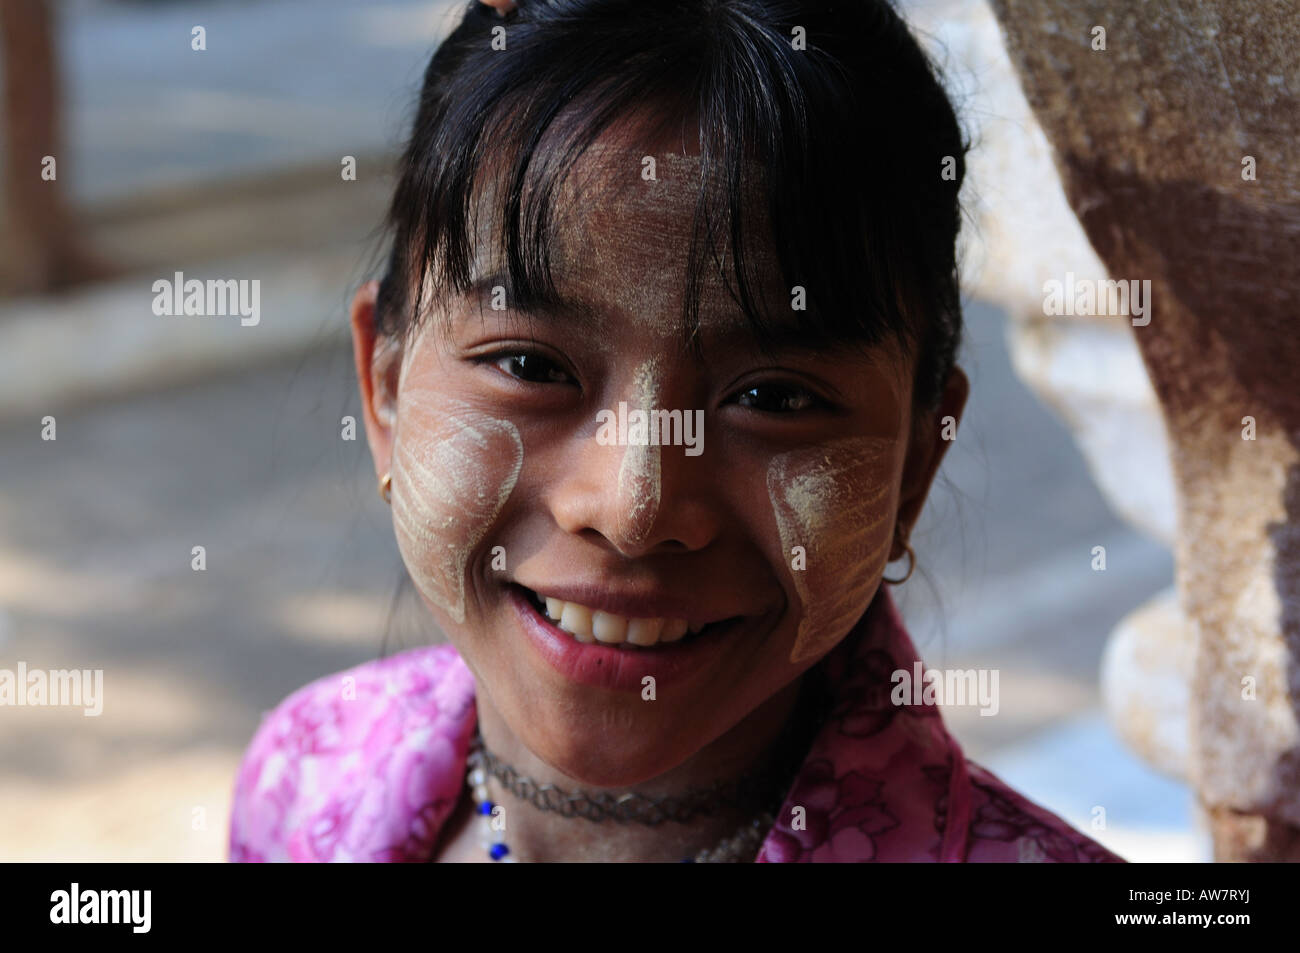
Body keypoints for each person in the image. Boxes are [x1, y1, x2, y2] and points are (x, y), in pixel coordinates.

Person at [228, 0, 1123, 863]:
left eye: (774, 397)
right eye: (532, 367)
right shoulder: (308, 775)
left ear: (915, 466)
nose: (634, 507)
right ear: (385, 392)